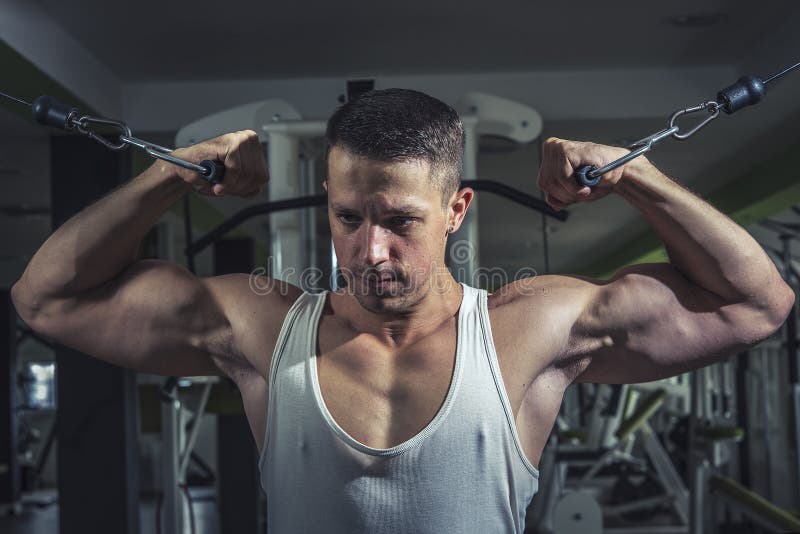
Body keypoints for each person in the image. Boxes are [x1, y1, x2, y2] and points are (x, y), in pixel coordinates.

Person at [10, 88, 794, 533]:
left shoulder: (528, 329)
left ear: (455, 210)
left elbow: (758, 305)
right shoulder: (260, 328)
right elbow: (45, 299)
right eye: (349, 218)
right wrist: (173, 177)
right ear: (329, 203)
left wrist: (639, 178)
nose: (370, 250)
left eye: (399, 221)